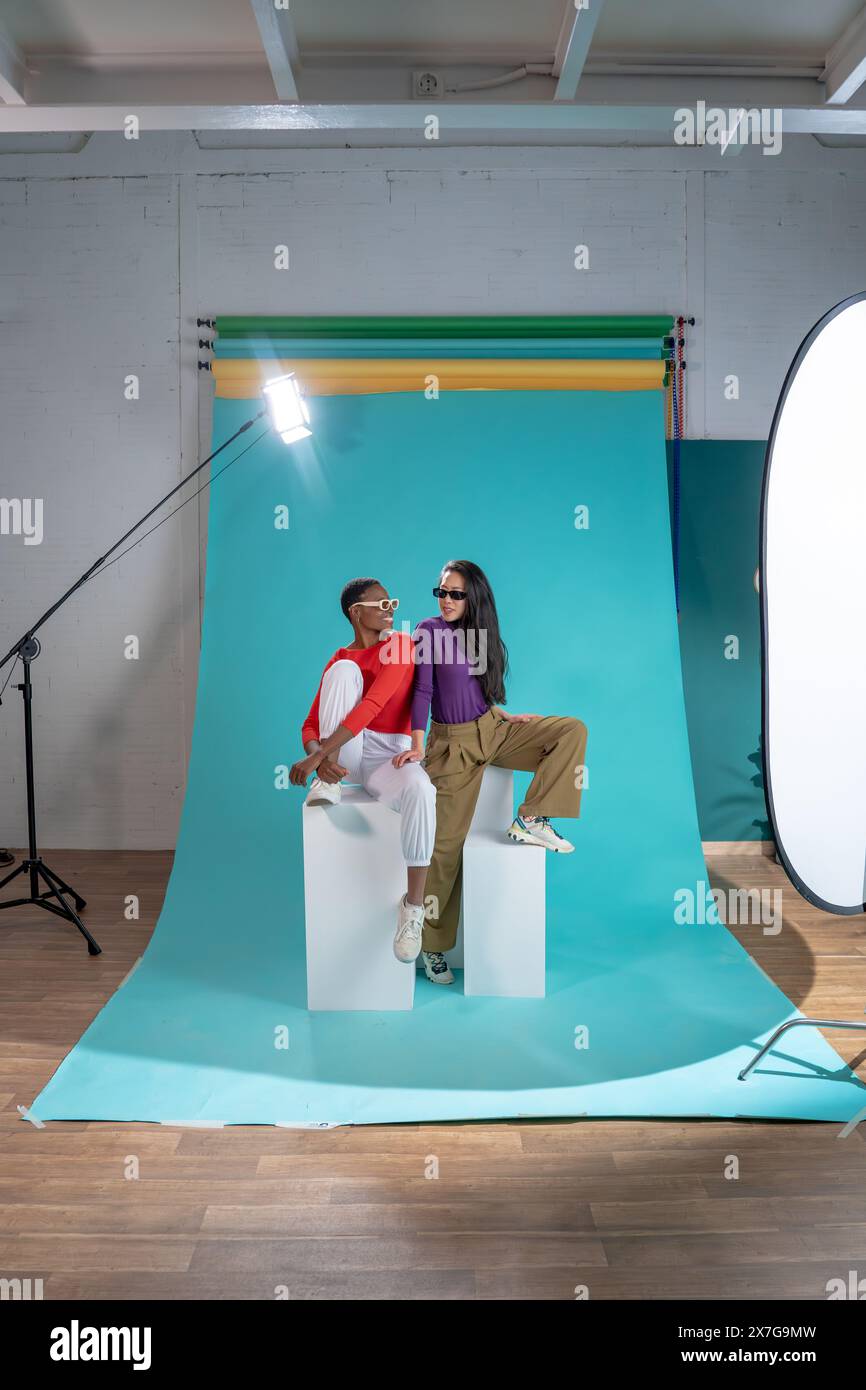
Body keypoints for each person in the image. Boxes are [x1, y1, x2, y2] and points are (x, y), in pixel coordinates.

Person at [395, 560, 588, 985]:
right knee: (443, 849)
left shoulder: (479, 636)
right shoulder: (428, 630)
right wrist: (417, 743)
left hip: (492, 729)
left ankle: (532, 817)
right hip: (452, 747)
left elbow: (472, 689)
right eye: (441, 592)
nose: (445, 600)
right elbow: (424, 690)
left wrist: (502, 715)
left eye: (455, 593)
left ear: (474, 598)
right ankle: (432, 945)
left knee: (570, 730)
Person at [291, 577, 437, 965]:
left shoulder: (400, 646)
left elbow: (374, 703)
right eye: (382, 603)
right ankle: (329, 779)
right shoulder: (340, 658)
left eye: (392, 602)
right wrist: (318, 756)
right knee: (343, 672)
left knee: (422, 792)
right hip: (349, 751)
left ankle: (413, 910)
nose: (391, 609)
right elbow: (309, 723)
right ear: (357, 613)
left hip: (391, 755)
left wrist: (313, 757)